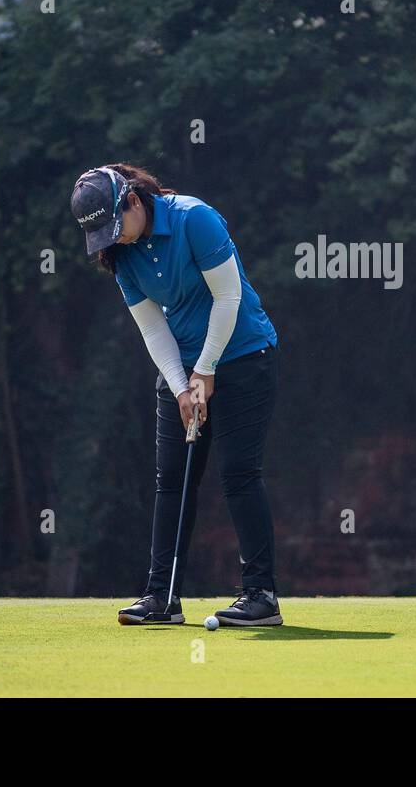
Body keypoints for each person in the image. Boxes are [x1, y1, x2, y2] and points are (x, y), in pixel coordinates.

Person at [70, 163, 282, 626]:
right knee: (173, 479)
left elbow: (228, 298)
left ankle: (261, 596)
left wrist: (205, 371)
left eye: (115, 226)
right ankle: (163, 597)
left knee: (239, 474)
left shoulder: (194, 218)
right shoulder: (120, 255)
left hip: (244, 356)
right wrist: (180, 383)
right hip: (183, 368)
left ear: (132, 201)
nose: (114, 239)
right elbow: (151, 326)